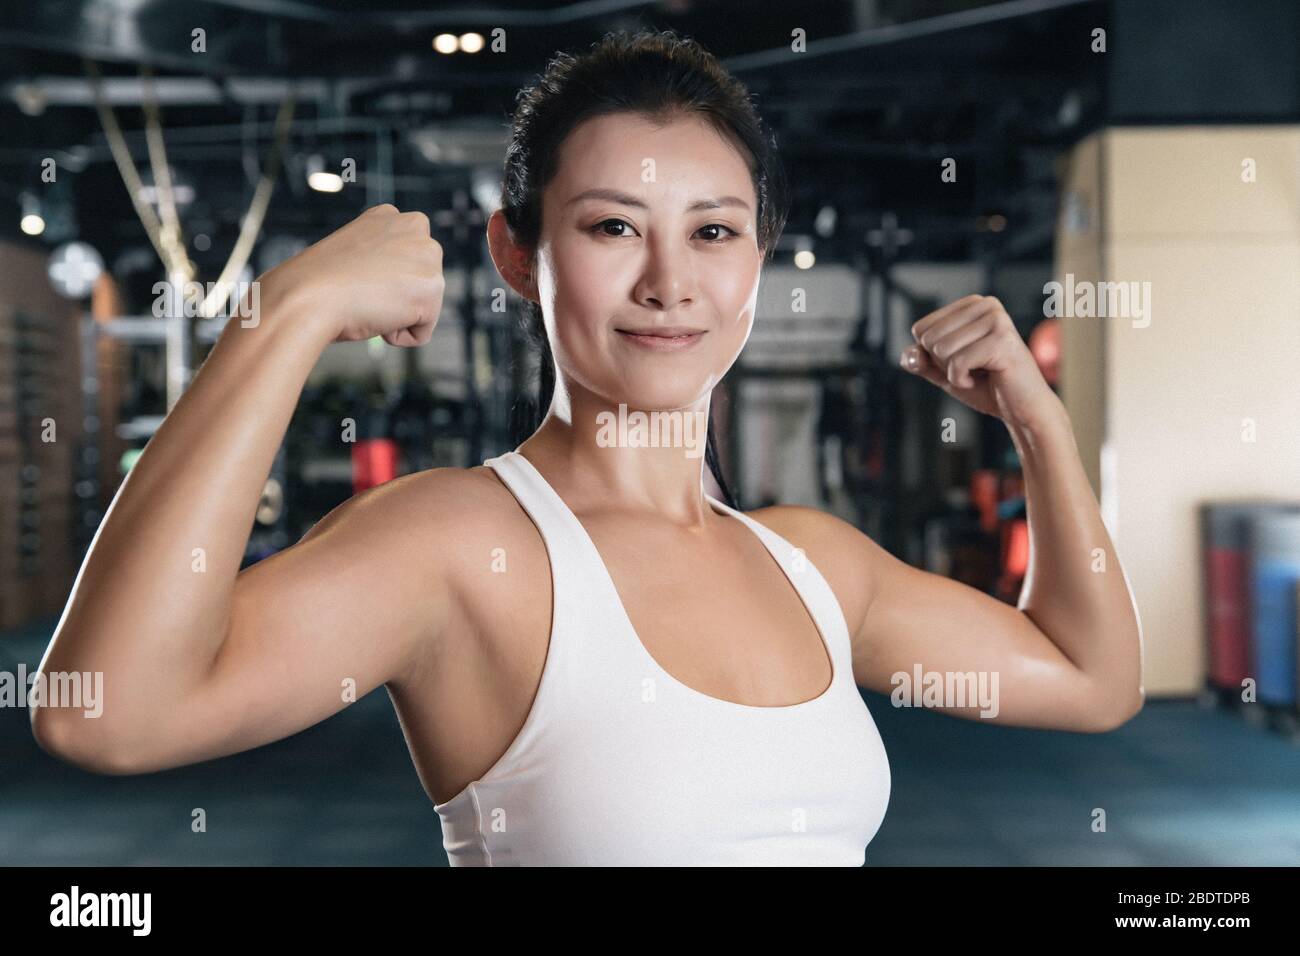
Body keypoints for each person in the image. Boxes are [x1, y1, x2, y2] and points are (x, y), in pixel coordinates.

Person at [30, 29, 1144, 866]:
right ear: (517, 255)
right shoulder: (455, 544)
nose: (669, 282)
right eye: (612, 227)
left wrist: (1038, 419)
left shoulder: (814, 564)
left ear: (758, 259)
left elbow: (1092, 682)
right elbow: (104, 709)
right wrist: (284, 314)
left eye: (713, 231)